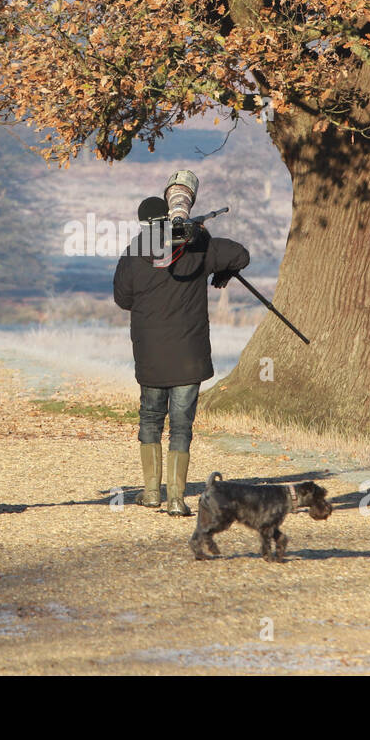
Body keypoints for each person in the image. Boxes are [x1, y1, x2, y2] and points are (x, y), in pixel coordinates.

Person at [113, 187, 249, 515]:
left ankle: (150, 492)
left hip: (150, 355)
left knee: (150, 417)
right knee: (182, 424)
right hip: (190, 355)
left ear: (143, 223)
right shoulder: (196, 249)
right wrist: (216, 262)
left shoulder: (133, 254)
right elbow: (240, 255)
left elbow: (123, 300)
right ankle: (176, 499)